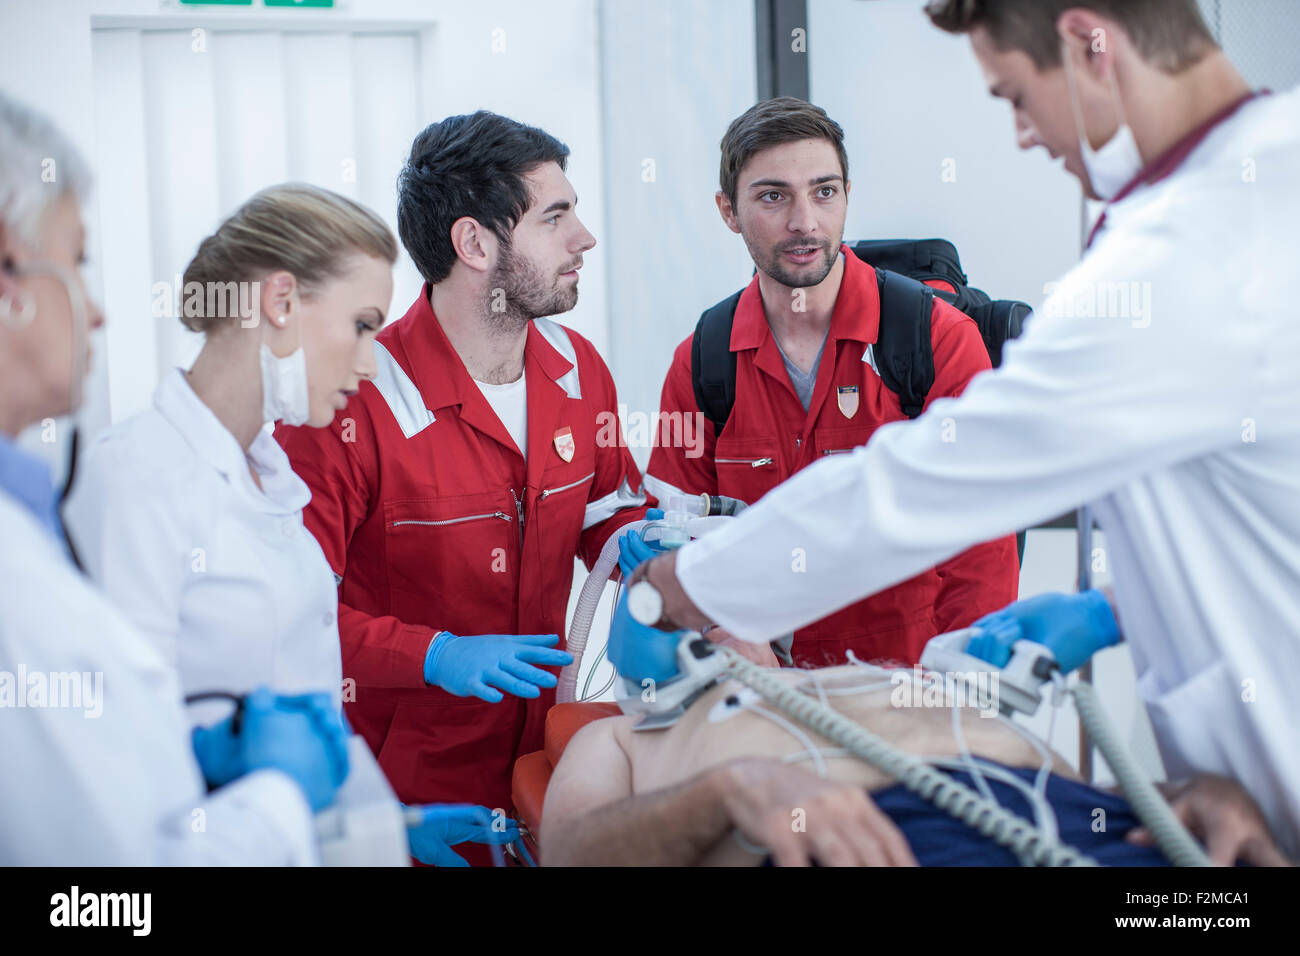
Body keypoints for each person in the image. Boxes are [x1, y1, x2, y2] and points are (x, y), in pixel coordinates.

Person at [612, 0, 1300, 859]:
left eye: (1014, 95)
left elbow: (927, 487)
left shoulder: (1184, 255)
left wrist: (685, 586)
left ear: (1094, 46)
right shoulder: (1260, 192)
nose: (1019, 134)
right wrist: (1118, 608)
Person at [63, 183, 517, 867]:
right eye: (362, 326)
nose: (369, 365)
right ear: (279, 302)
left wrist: (376, 823)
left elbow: (300, 698)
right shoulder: (137, 478)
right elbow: (118, 757)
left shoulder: (272, 478)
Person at [276, 111, 655, 863]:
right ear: (475, 243)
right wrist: (432, 655)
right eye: (557, 217)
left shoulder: (578, 369)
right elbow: (289, 619)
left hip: (541, 781)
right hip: (401, 803)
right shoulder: (349, 402)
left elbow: (610, 508)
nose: (584, 239)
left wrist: (649, 549)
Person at [0, 90, 347, 864]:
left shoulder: (270, 475)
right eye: (78, 261)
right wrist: (281, 799)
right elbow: (106, 892)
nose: (95, 312)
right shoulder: (125, 486)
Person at [640, 98, 1019, 668]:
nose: (805, 222)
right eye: (773, 196)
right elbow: (676, 537)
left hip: (906, 692)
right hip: (761, 693)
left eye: (824, 191)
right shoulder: (703, 361)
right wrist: (726, 640)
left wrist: (965, 694)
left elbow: (982, 546)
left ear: (847, 194)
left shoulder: (934, 339)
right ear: (728, 210)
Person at [542, 655, 1287, 866]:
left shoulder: (897, 674)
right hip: (882, 844)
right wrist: (733, 788)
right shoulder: (624, 736)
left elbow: (1082, 795)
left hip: (1084, 833)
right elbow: (573, 854)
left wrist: (1195, 792)